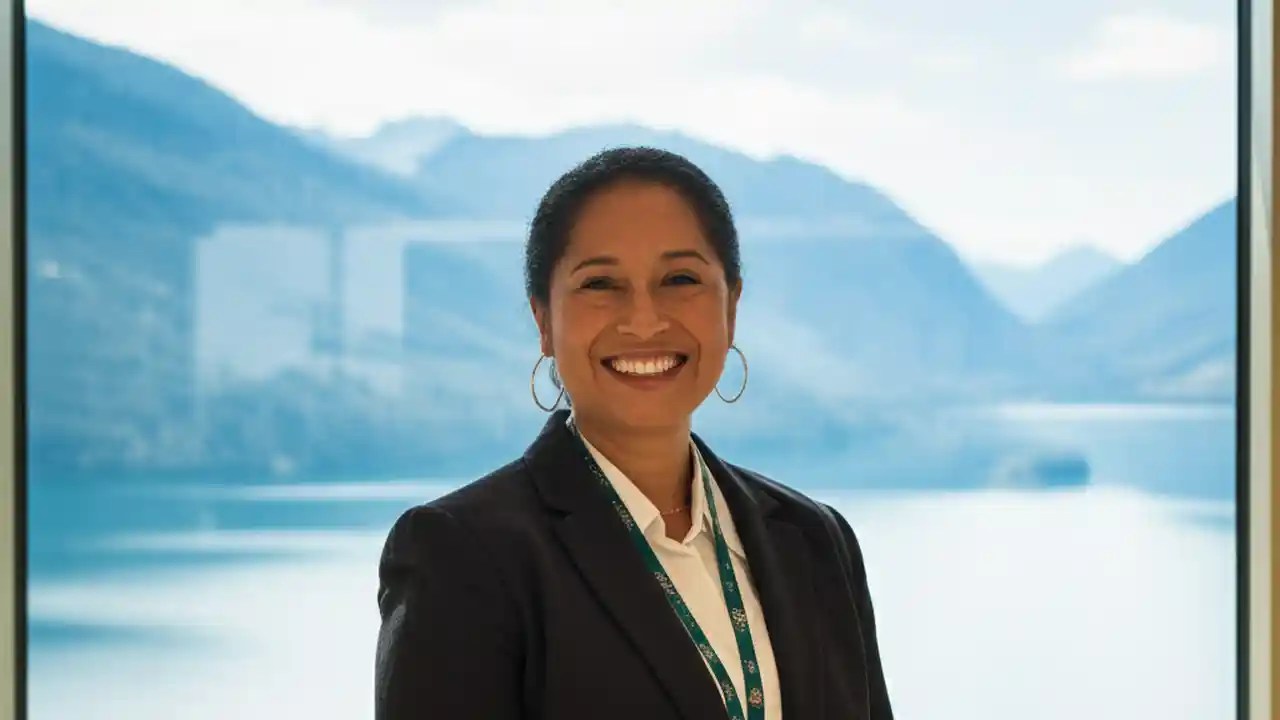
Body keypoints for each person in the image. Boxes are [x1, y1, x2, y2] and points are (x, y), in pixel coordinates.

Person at [374, 147, 894, 719]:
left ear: (732, 307)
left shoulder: (817, 541)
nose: (644, 320)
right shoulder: (462, 556)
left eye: (680, 278)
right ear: (544, 320)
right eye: (601, 284)